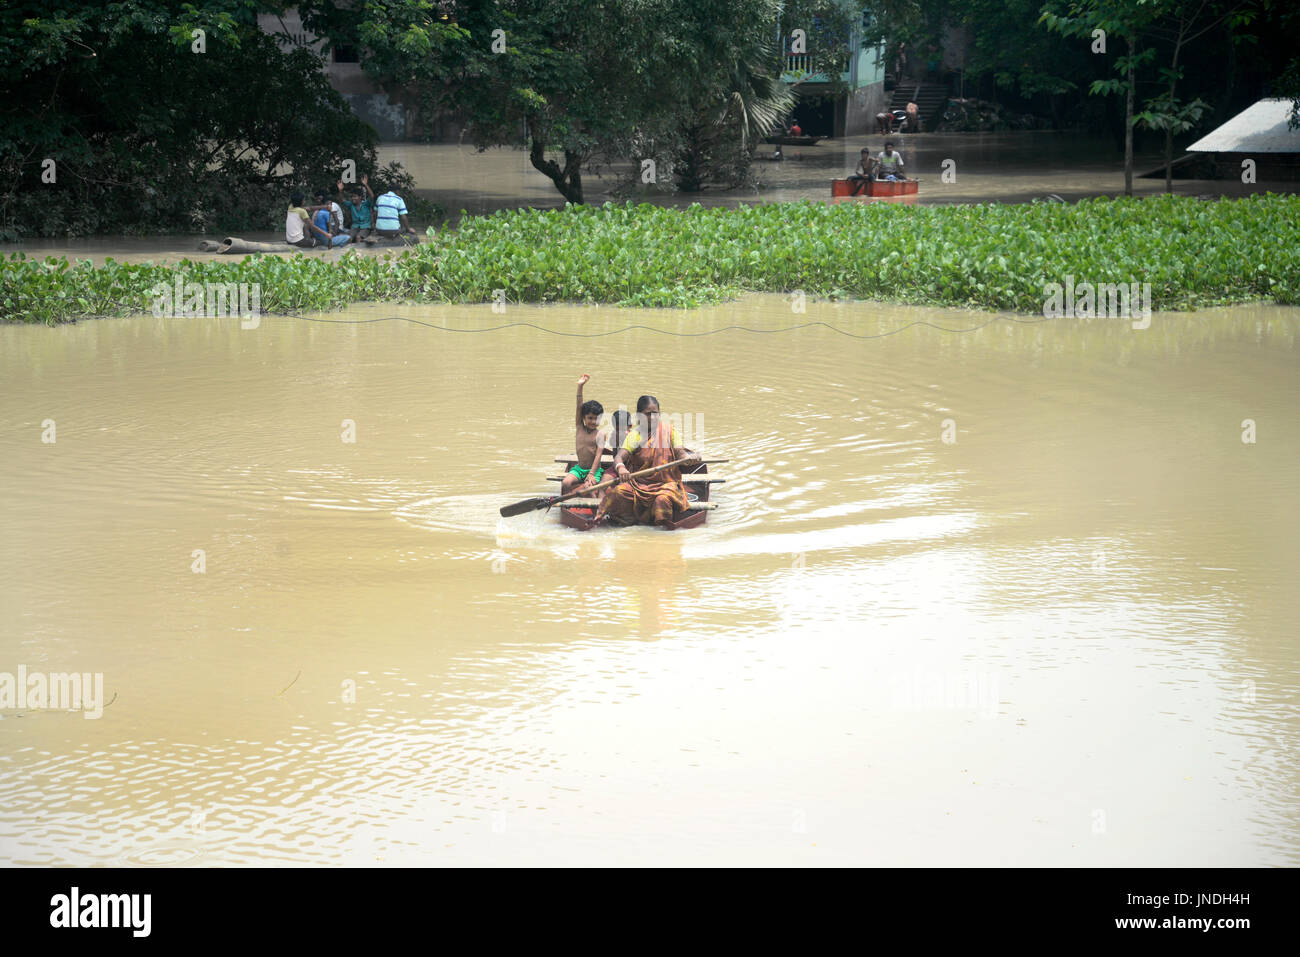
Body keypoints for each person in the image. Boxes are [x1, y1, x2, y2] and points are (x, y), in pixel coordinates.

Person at [596, 395, 699, 527]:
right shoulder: (635, 435)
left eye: (655, 413)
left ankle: (662, 527)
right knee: (618, 493)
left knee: (662, 500)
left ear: (660, 413)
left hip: (665, 484)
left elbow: (680, 452)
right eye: (647, 414)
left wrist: (686, 459)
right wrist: (621, 467)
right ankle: (626, 522)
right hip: (638, 484)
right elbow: (619, 457)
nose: (652, 417)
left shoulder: (670, 431)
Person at [561, 374, 606, 496]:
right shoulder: (579, 427)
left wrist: (591, 474)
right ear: (584, 418)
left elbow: (598, 456)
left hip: (594, 470)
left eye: (596, 419)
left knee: (589, 488)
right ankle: (568, 502)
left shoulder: (601, 434)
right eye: (590, 418)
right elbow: (579, 406)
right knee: (565, 483)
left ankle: (597, 512)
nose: (593, 421)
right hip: (579, 468)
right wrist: (580, 386)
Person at [338, 175, 376, 244]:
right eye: (352, 197)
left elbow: (372, 196)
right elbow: (342, 200)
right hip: (355, 226)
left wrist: (366, 185)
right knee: (348, 238)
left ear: (360, 197)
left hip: (365, 226)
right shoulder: (351, 204)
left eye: (355, 196)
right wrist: (340, 190)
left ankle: (359, 253)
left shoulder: (366, 204)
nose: (353, 198)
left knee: (358, 237)